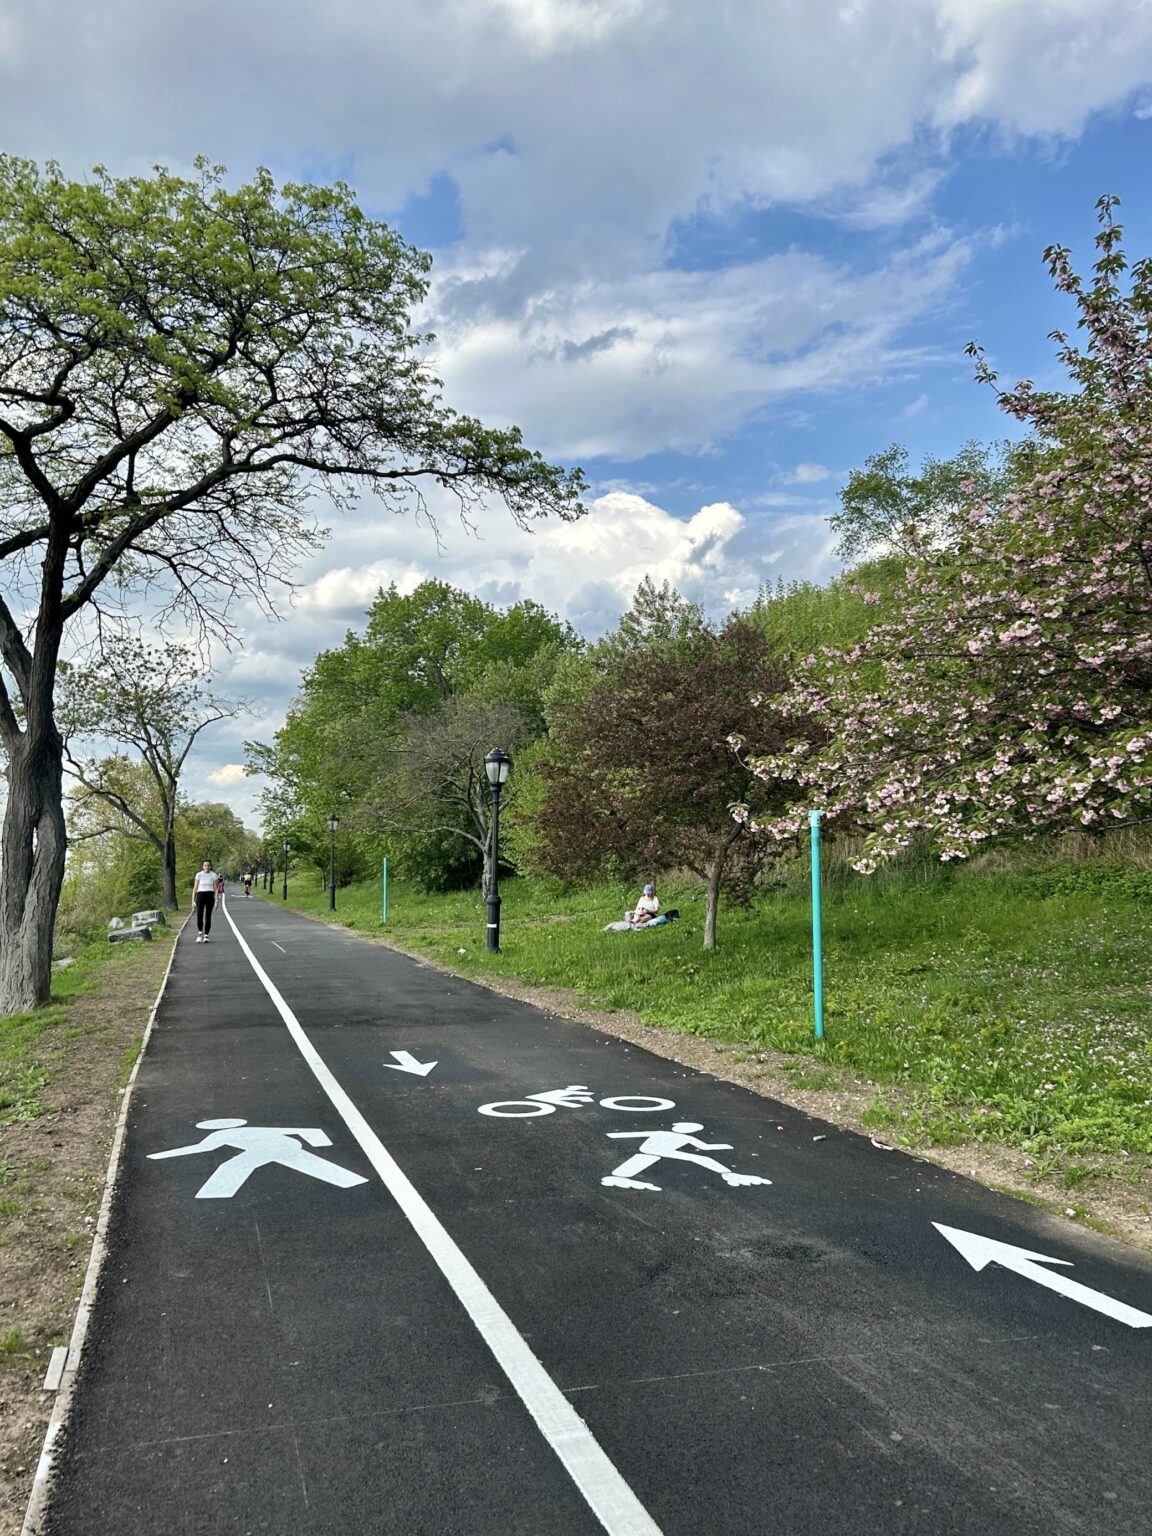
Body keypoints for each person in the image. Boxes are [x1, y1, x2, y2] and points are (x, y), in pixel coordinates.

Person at [192, 860, 219, 943]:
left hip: (210, 895)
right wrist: (193, 901)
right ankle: (200, 933)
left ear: (210, 866)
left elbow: (216, 888)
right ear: (203, 866)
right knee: (199, 915)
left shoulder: (213, 875)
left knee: (208, 916)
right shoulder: (199, 875)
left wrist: (216, 901)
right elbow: (195, 888)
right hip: (200, 895)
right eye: (205, 865)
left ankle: (206, 935)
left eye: (208, 865)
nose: (207, 867)